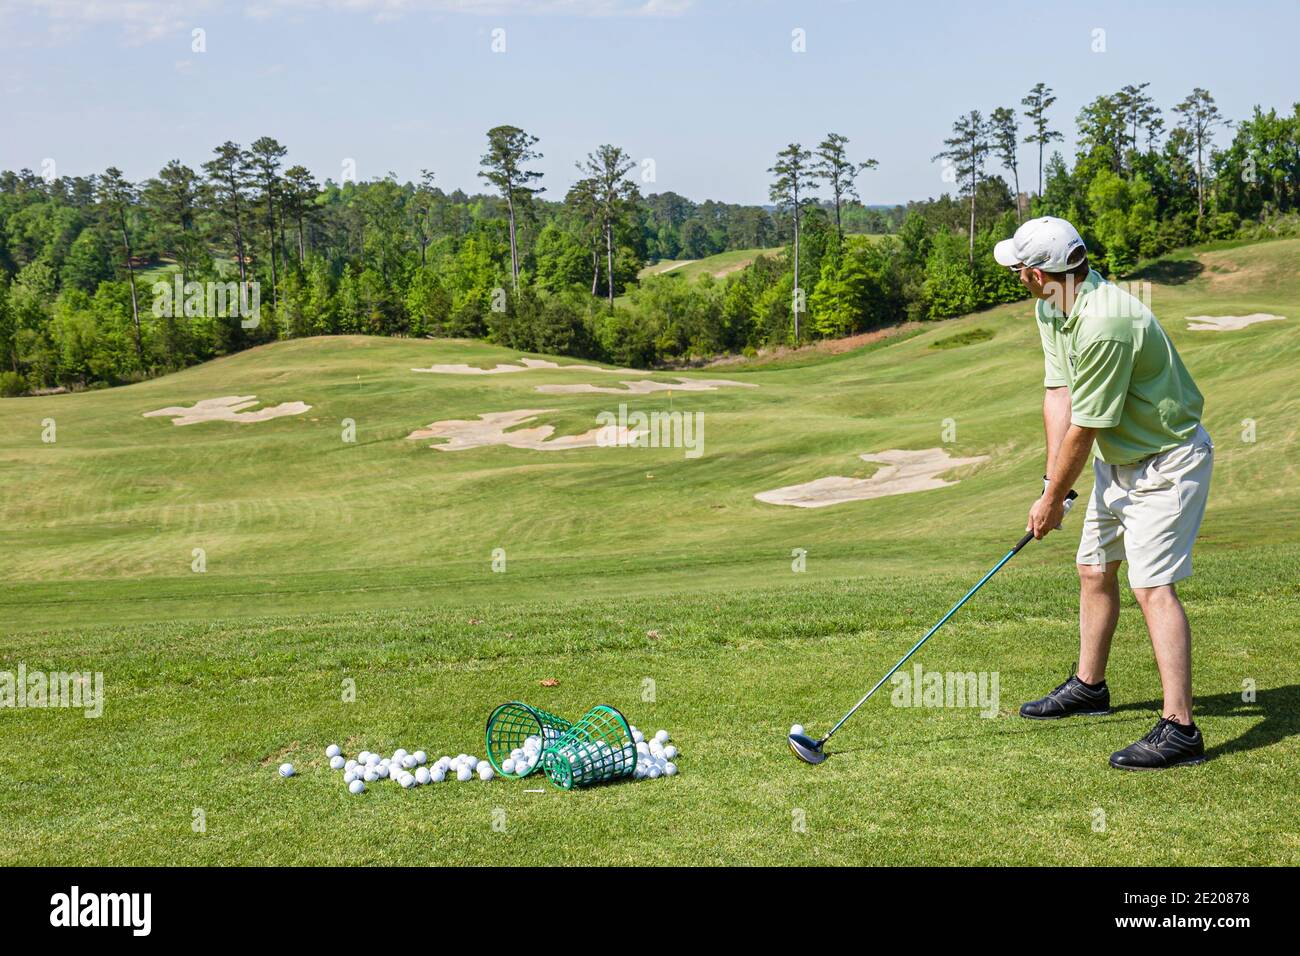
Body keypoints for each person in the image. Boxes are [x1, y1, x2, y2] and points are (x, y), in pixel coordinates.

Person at [994, 216, 1214, 770]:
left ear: (1039, 272)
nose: (1016, 274)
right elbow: (1059, 396)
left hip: (1167, 462)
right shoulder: (1052, 306)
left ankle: (1180, 728)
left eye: (1020, 266)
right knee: (1094, 568)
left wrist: (1051, 500)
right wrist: (1053, 488)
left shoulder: (1106, 323)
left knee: (1152, 586)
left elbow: (1086, 427)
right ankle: (1090, 687)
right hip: (1117, 464)